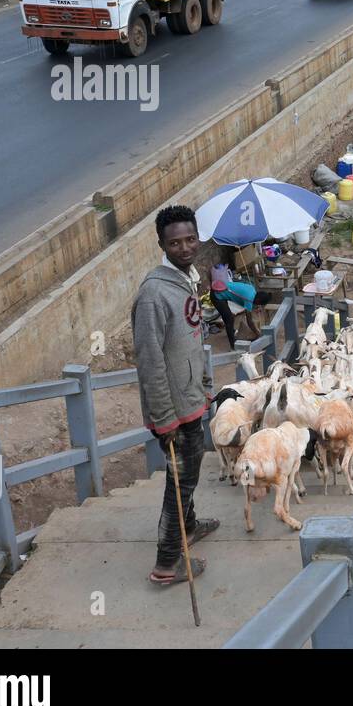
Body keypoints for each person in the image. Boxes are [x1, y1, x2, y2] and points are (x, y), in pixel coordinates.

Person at [133, 205, 217, 586]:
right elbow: (150, 361)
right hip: (173, 412)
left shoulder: (186, 279)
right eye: (175, 243)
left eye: (190, 239)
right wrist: (164, 418)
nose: (185, 248)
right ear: (161, 245)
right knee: (179, 483)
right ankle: (167, 564)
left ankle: (191, 526)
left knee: (189, 475)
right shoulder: (153, 295)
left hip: (189, 399)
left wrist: (203, 384)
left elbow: (191, 341)